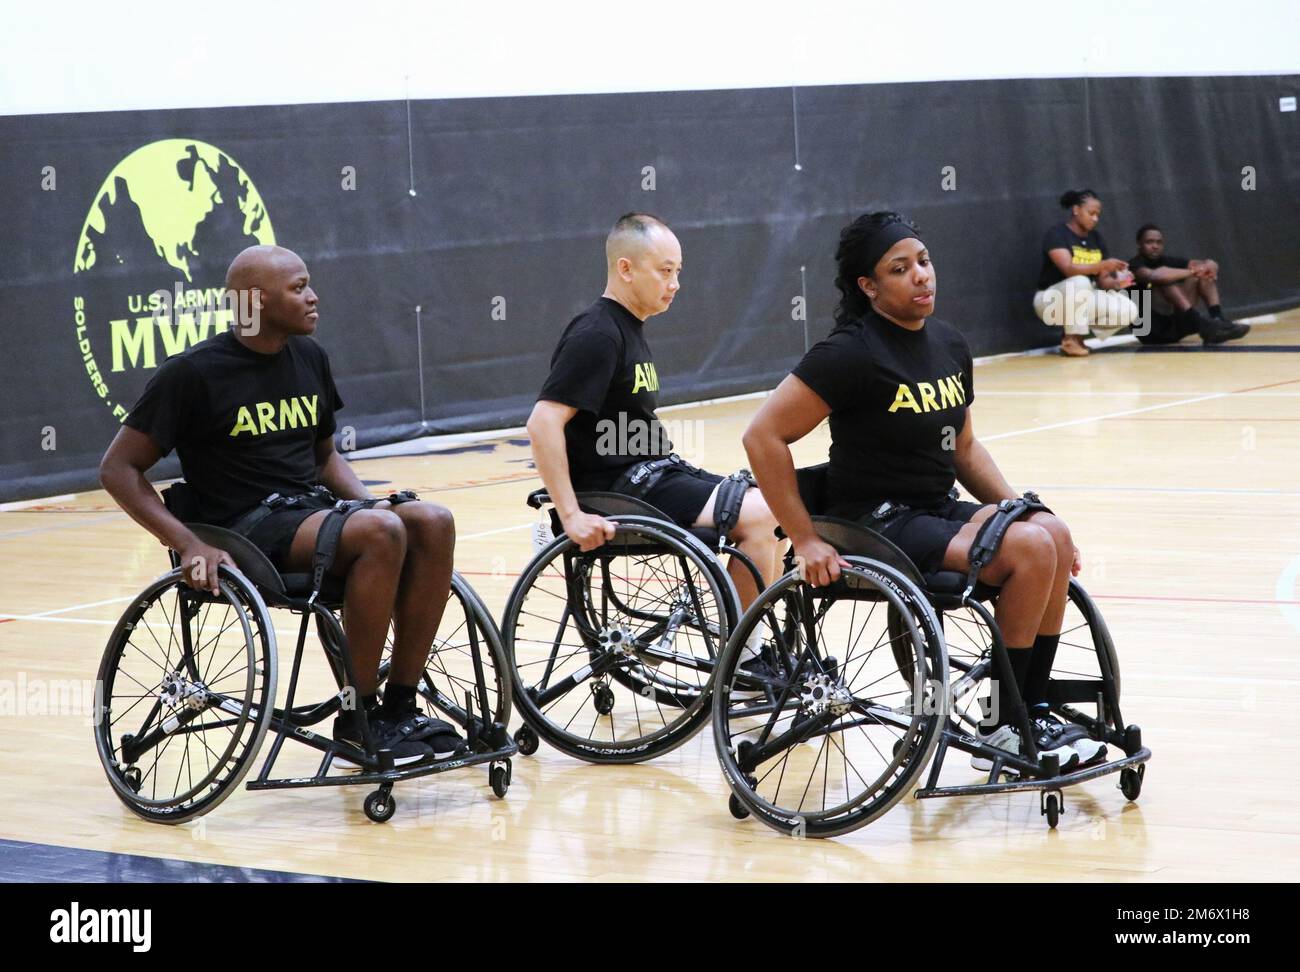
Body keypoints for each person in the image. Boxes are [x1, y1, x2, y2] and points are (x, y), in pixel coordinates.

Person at [743, 212, 1107, 771]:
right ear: (869, 286)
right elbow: (762, 436)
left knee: (1050, 531)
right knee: (1030, 550)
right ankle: (1006, 725)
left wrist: (1021, 508)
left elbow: (963, 450)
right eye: (900, 268)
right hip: (874, 520)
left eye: (924, 261)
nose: (921, 276)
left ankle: (1030, 708)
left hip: (933, 509)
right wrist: (805, 538)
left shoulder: (948, 343)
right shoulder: (849, 354)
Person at [99, 244, 463, 767]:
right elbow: (118, 469)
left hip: (311, 511)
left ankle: (398, 707)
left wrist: (370, 502)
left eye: (308, 283)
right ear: (255, 301)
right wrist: (187, 542)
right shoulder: (194, 373)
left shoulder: (309, 357)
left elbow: (324, 457)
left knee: (430, 520)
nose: (314, 297)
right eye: (298, 288)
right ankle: (357, 714)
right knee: (381, 533)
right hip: (244, 529)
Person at [526, 213, 782, 672]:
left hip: (651, 472)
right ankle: (745, 660)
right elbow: (543, 423)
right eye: (665, 271)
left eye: (678, 271)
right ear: (626, 269)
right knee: (761, 517)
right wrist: (570, 514)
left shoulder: (628, 328)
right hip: (619, 489)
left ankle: (754, 649)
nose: (675, 283)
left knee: (778, 504)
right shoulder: (597, 333)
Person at [1032, 189, 1140, 357]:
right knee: (1080, 281)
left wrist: (1118, 282)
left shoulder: (1096, 238)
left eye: (1098, 214)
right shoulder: (1057, 234)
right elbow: (1068, 269)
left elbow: (1103, 281)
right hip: (1050, 301)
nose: (1095, 218)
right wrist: (1103, 264)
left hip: (1081, 300)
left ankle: (1075, 334)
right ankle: (1071, 339)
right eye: (1091, 213)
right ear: (1076, 210)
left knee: (1129, 308)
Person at [1128, 224, 1249, 345]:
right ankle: (1202, 324)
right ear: (1139, 244)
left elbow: (1203, 264)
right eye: (1150, 242)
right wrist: (1193, 271)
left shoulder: (1167, 260)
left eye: (1159, 242)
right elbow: (1156, 276)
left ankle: (1218, 319)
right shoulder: (1134, 266)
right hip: (1149, 332)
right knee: (1165, 280)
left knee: (1202, 274)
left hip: (1176, 326)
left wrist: (1210, 264)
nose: (1155, 246)